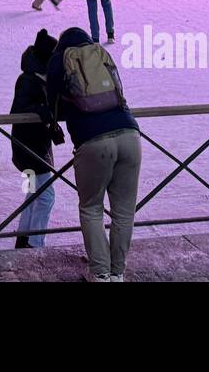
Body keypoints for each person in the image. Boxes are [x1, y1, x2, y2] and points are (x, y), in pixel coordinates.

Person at [46, 26, 141, 282]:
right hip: (130, 134)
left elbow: (50, 101)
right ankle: (118, 272)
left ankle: (100, 273)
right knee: (124, 211)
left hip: (93, 141)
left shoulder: (59, 60)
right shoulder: (99, 54)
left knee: (91, 208)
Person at [9, 29, 62, 248]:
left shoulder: (38, 77)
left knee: (33, 193)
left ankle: (24, 238)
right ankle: (35, 243)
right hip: (30, 149)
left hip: (33, 147)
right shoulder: (29, 80)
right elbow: (17, 110)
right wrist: (40, 110)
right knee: (46, 196)